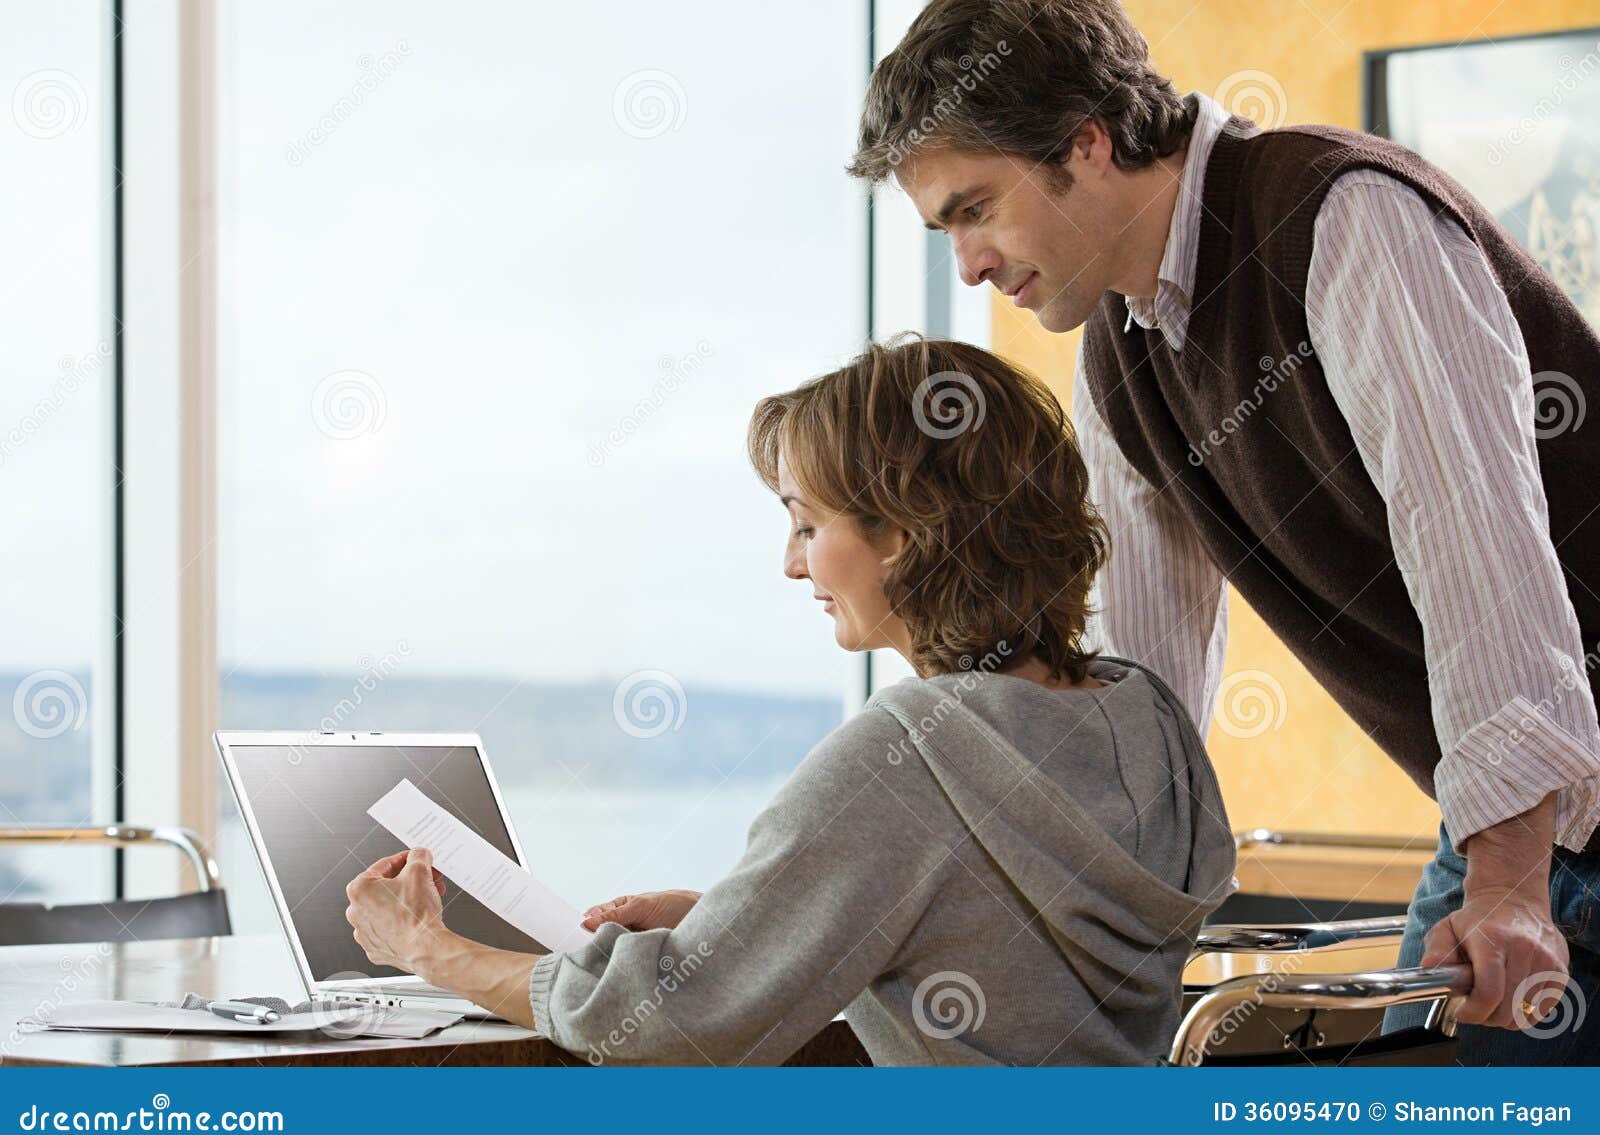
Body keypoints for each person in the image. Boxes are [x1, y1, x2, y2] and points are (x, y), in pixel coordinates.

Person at [850, 0, 1600, 1062]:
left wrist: (1511, 886)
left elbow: (1479, 560)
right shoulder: (1119, 355)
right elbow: (1136, 708)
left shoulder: (1341, 218)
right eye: (943, 232)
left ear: (1086, 142)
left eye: (975, 209)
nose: (967, 263)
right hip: (1530, 817)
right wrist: (839, 898)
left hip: (1533, 817)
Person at [345, 337, 1236, 1066]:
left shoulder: (906, 758)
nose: (792, 561)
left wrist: (432, 950)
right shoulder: (1147, 717)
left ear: (904, 534)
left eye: (808, 523)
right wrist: (759, 924)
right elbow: (1002, 955)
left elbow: (665, 1026)